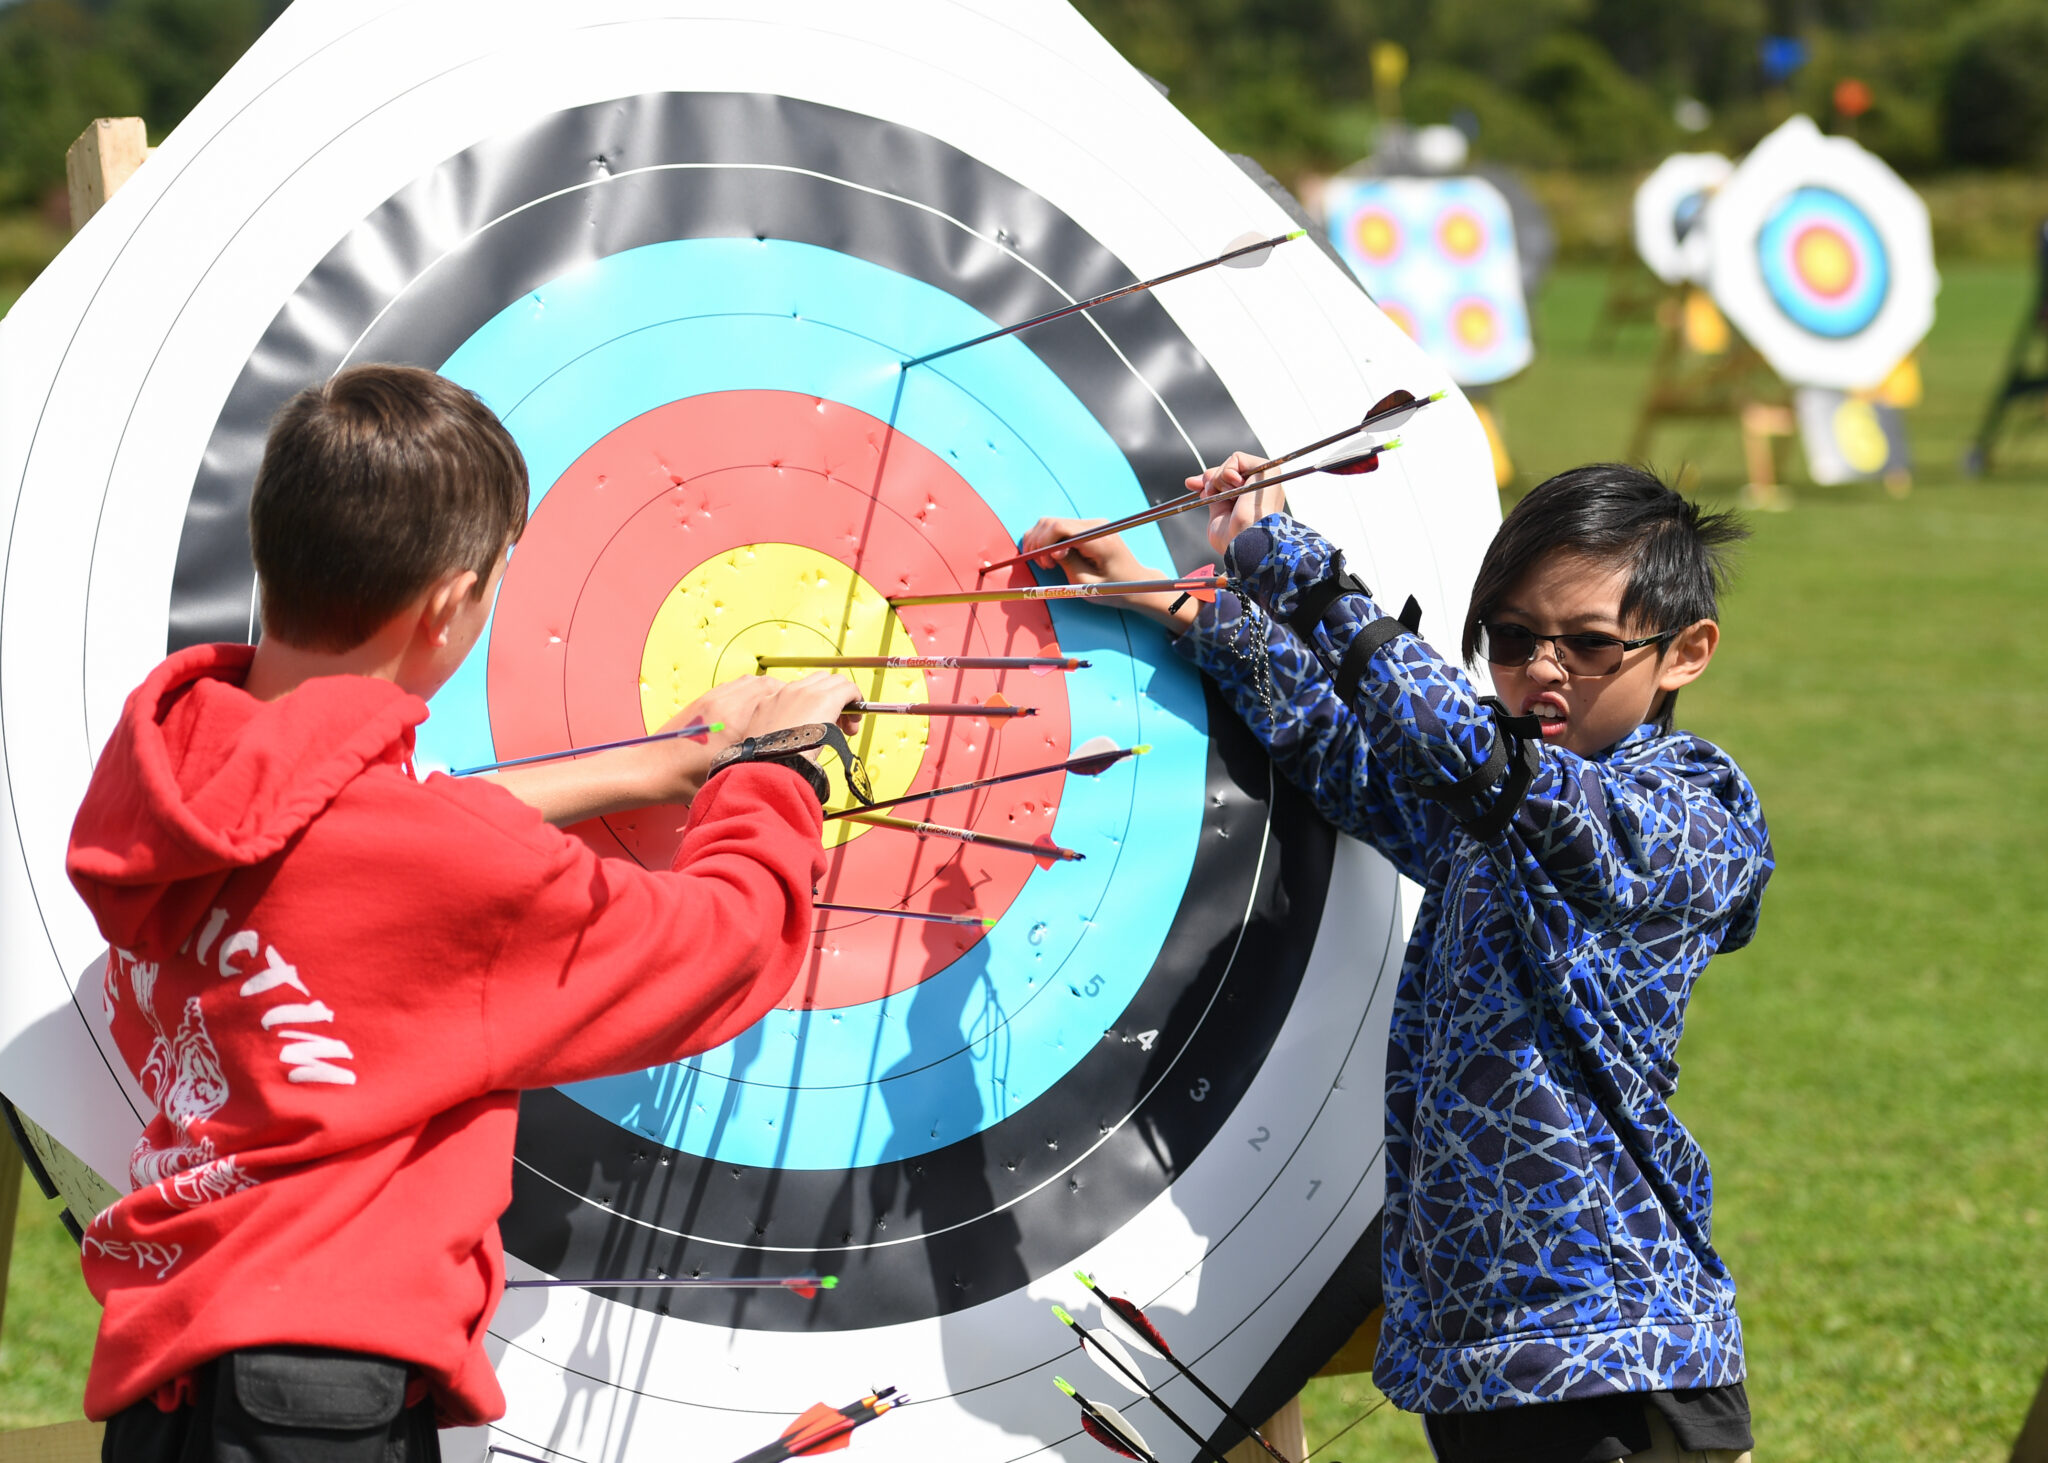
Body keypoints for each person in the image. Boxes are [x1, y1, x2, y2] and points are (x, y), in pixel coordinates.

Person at [66, 365, 859, 1463]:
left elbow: (365, 828)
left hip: (171, 1382)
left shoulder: (178, 781)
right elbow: (726, 948)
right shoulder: (442, 865)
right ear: (452, 601)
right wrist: (776, 773)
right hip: (317, 1403)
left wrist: (644, 768)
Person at [1022, 457, 1771, 1462]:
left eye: (1588, 644)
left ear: (1684, 652)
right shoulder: (1489, 822)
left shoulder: (1679, 815)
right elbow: (1345, 753)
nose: (1541, 669)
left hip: (1611, 1352)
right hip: (1478, 1357)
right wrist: (1180, 601)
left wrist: (1299, 571)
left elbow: (1469, 754)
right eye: (1511, 639)